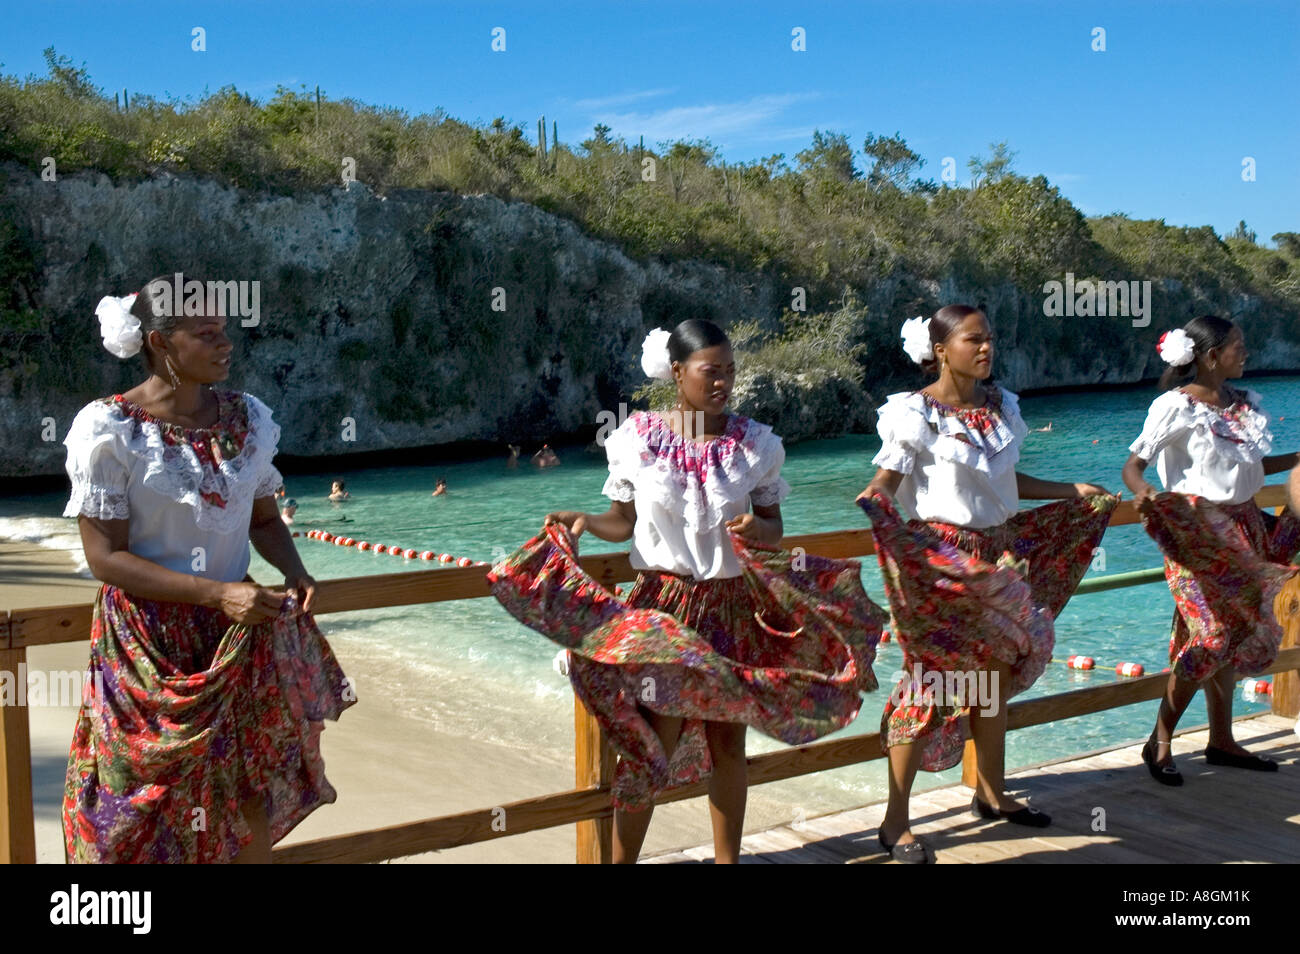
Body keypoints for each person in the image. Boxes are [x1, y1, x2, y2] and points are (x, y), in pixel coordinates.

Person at [490, 319, 883, 863]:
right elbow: (622, 521)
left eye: (730, 371)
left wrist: (759, 533)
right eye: (710, 371)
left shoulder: (756, 445)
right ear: (678, 372)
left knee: (729, 745)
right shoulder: (634, 440)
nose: (723, 382)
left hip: (730, 606)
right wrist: (582, 520)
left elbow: (774, 526)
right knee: (654, 744)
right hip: (663, 609)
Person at [61, 274, 354, 864]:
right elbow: (105, 558)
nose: (225, 344)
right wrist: (215, 592)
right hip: (148, 642)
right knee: (134, 801)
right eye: (205, 333)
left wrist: (296, 570)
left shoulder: (247, 420)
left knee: (242, 797)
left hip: (233, 638)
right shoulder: (110, 429)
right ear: (160, 343)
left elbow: (264, 519)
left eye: (224, 330)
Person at [857, 305, 1116, 863]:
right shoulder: (913, 413)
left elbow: (1006, 479)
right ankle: (894, 821)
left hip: (1001, 554)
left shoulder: (1001, 407)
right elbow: (888, 477)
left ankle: (992, 793)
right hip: (940, 560)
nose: (986, 348)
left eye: (989, 339)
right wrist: (877, 504)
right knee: (927, 684)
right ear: (940, 348)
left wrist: (1069, 489)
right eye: (973, 340)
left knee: (991, 681)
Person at [1122, 316, 1300, 786]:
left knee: (1231, 634)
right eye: (1238, 345)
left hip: (1244, 528)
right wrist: (1144, 494)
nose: (1246, 352)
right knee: (1213, 636)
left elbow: (1255, 468)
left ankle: (1221, 739)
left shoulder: (1243, 404)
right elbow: (1134, 464)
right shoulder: (1174, 406)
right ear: (1210, 355)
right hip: (1194, 533)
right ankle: (1159, 739)